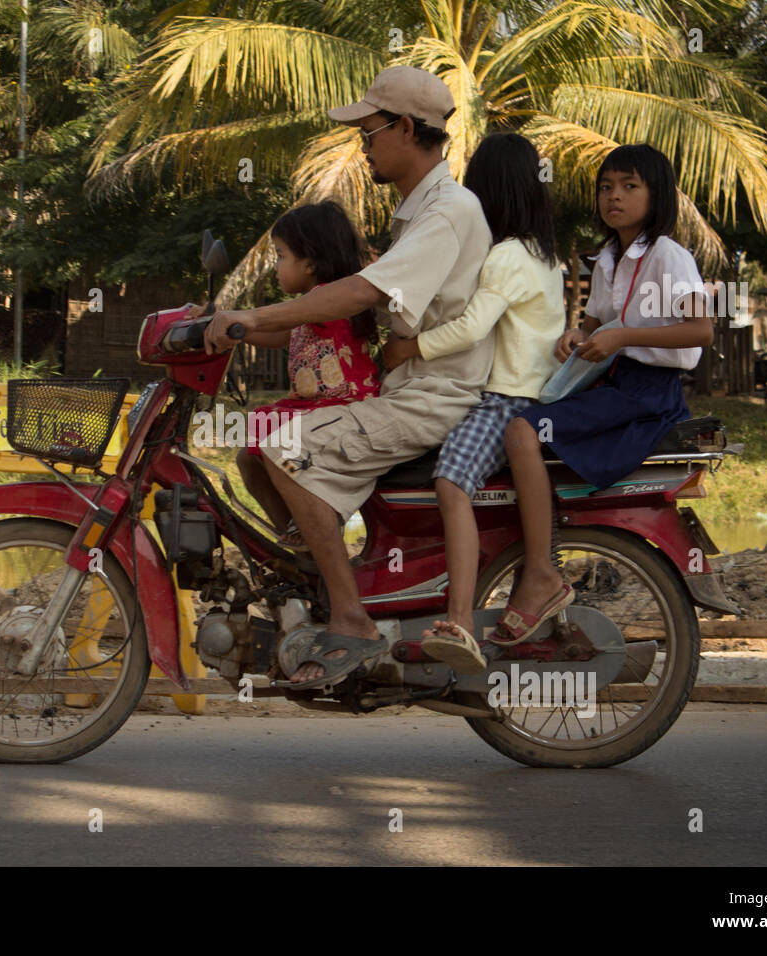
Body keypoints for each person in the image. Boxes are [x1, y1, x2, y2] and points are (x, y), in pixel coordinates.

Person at [206, 65, 495, 689]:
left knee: (287, 444)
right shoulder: (414, 214)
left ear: (407, 129)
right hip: (406, 387)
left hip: (430, 396)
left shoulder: (446, 212)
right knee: (259, 439)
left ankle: (351, 618)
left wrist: (251, 315)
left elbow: (358, 293)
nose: (363, 145)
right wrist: (238, 326)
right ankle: (316, 566)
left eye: (370, 132)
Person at [495, 143, 714, 645]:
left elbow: (700, 330)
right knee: (510, 423)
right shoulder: (612, 257)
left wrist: (623, 336)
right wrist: (576, 336)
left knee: (522, 430)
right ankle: (536, 560)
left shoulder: (669, 255)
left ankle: (541, 574)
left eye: (629, 186)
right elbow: (593, 324)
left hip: (647, 396)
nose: (614, 196)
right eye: (606, 187)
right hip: (612, 384)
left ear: (655, 195)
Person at [380, 132, 563, 673]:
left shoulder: (506, 255)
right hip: (530, 397)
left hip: (504, 400)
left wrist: (406, 347)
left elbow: (469, 328)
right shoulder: (544, 256)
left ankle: (459, 618)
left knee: (451, 480)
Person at [236, 201, 380, 548]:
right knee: (249, 452)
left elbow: (277, 321)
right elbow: (276, 335)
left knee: (264, 446)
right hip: (316, 406)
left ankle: (306, 531)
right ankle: (297, 531)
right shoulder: (311, 306)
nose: (276, 266)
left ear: (311, 262)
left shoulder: (324, 300)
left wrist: (237, 317)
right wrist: (230, 329)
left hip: (339, 406)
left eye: (281, 256)